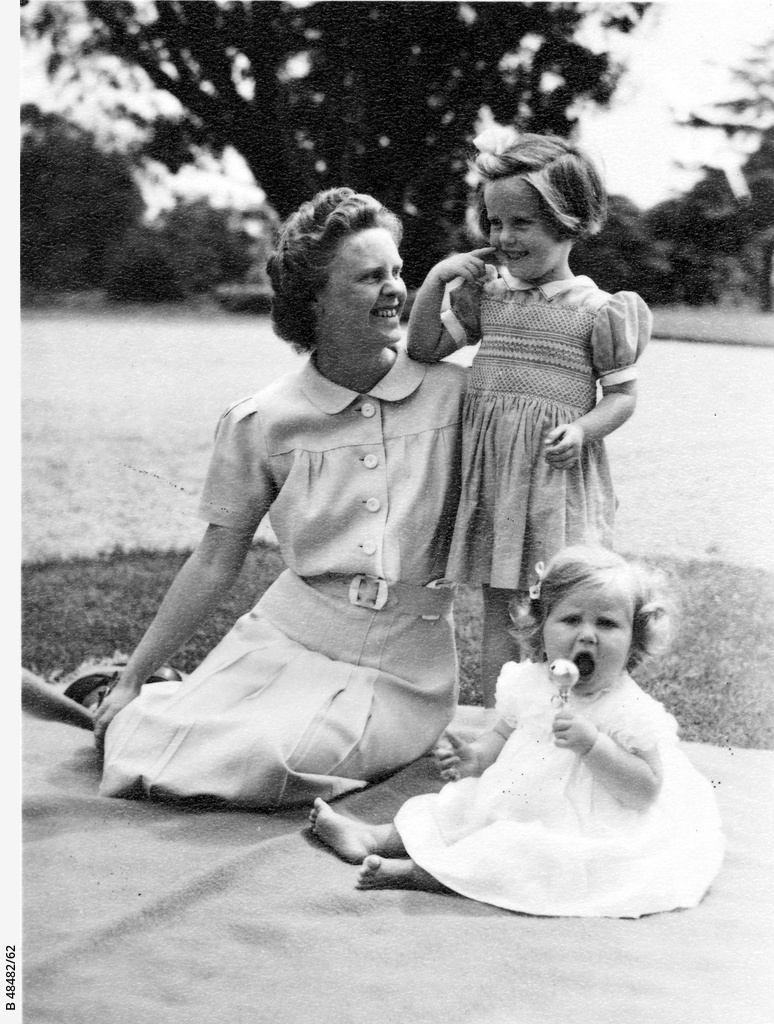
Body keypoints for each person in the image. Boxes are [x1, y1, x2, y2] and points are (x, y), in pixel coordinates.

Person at [93, 187, 467, 809]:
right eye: (371, 276)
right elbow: (215, 560)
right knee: (141, 742)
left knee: (270, 762)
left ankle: (190, 703)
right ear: (314, 300)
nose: (396, 288)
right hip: (286, 635)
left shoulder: (457, 396)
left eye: (398, 270)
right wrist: (132, 678)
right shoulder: (261, 420)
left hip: (407, 666)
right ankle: (139, 690)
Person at [309, 546, 725, 919]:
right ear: (541, 627)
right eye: (571, 619)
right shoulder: (530, 682)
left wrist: (593, 745)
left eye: (607, 623)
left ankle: (423, 874)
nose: (587, 634)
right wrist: (475, 758)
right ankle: (373, 836)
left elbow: (645, 790)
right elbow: (503, 736)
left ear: (635, 638)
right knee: (455, 806)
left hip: (576, 823)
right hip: (514, 794)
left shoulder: (629, 710)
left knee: (519, 853)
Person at [407, 128, 652, 706]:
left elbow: (622, 397)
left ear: (569, 222)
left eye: (522, 224)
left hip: (552, 479)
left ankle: (569, 723)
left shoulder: (599, 312)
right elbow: (423, 347)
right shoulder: (491, 295)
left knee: (557, 608)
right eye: (494, 223)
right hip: (494, 480)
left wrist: (583, 428)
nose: (503, 237)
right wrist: (437, 279)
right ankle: (502, 730)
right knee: (497, 611)